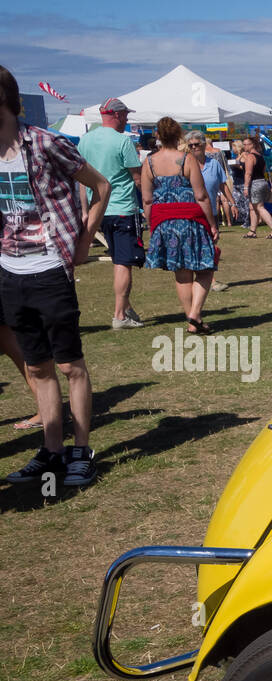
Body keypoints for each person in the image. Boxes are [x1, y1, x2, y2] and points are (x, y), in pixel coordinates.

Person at [0, 64, 109, 488]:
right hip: (11, 273)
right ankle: (51, 453)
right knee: (37, 366)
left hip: (49, 268)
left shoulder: (46, 144)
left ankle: (81, 452)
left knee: (69, 365)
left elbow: (101, 187)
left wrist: (83, 242)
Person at [143, 116, 218, 334]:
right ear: (178, 135)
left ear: (157, 135)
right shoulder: (187, 159)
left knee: (181, 273)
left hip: (164, 222)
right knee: (205, 267)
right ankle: (195, 313)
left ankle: (192, 321)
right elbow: (201, 195)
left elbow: (147, 200)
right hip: (190, 220)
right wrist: (212, 224)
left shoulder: (148, 163)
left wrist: (152, 226)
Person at [76, 97, 144, 329]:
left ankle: (125, 307)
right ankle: (119, 315)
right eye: (125, 115)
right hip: (122, 207)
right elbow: (137, 178)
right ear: (116, 115)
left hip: (98, 209)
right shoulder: (123, 142)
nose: (126, 119)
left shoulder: (85, 140)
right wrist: (149, 201)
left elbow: (81, 180)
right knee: (123, 263)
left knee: (118, 259)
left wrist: (85, 210)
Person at [188, 131, 231, 291]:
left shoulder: (214, 164)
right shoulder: (185, 164)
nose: (194, 148)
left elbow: (222, 185)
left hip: (211, 210)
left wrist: (232, 203)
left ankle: (207, 279)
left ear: (204, 145)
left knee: (211, 246)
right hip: (192, 212)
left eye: (196, 144)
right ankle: (207, 280)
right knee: (196, 247)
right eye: (190, 145)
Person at [240, 136, 272, 238]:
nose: (244, 146)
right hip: (262, 182)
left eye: (246, 144)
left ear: (252, 145)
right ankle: (252, 231)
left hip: (255, 184)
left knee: (260, 208)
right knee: (252, 208)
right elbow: (263, 170)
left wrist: (246, 187)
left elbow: (248, 173)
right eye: (243, 144)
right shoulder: (260, 157)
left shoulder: (250, 157)